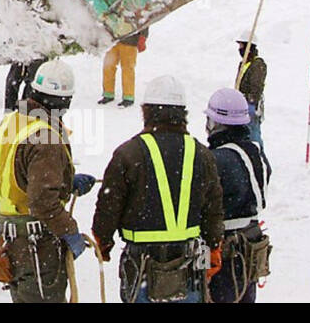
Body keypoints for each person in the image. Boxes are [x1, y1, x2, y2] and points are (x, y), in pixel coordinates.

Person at [92, 75, 224, 303]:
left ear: (147, 112)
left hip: (143, 265)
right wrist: (213, 246)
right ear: (182, 114)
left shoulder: (129, 154)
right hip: (187, 266)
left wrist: (103, 242)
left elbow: (109, 205)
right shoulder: (202, 155)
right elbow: (213, 207)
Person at [0, 59, 97, 303]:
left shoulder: (12, 123)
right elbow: (41, 203)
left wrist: (65, 183)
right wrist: (69, 231)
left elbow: (21, 175)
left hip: (14, 235)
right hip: (36, 243)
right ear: (65, 101)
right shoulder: (44, 137)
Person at [205, 87, 272, 303]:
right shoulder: (255, 151)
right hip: (249, 242)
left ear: (216, 123)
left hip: (225, 247)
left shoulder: (218, 159)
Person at [234, 33, 267, 146]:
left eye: (242, 46)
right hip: (241, 107)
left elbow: (256, 88)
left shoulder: (257, 64)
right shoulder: (243, 64)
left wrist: (250, 101)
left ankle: (260, 160)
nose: (240, 49)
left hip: (250, 107)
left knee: (253, 138)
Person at [100, 28, 147, 107]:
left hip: (130, 41)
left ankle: (128, 97)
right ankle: (108, 94)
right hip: (113, 40)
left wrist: (143, 37)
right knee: (108, 66)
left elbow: (144, 20)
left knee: (127, 68)